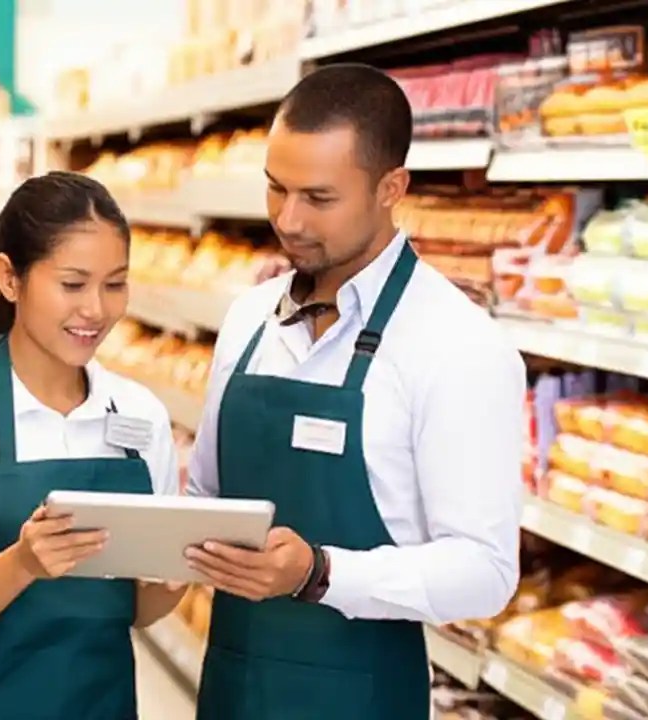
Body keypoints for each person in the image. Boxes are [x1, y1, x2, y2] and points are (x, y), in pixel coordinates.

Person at [184, 63, 524, 719]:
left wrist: (321, 572)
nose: (288, 219)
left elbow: (485, 572)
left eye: (318, 198)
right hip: (231, 684)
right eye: (275, 189)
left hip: (361, 697)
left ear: (391, 186)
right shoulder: (247, 318)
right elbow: (207, 499)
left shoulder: (457, 344)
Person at [0, 171, 187, 720]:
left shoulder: (141, 416)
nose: (96, 309)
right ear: (9, 277)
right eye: (73, 284)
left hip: (104, 704)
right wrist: (23, 562)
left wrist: (176, 579)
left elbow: (136, 609)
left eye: (115, 284)